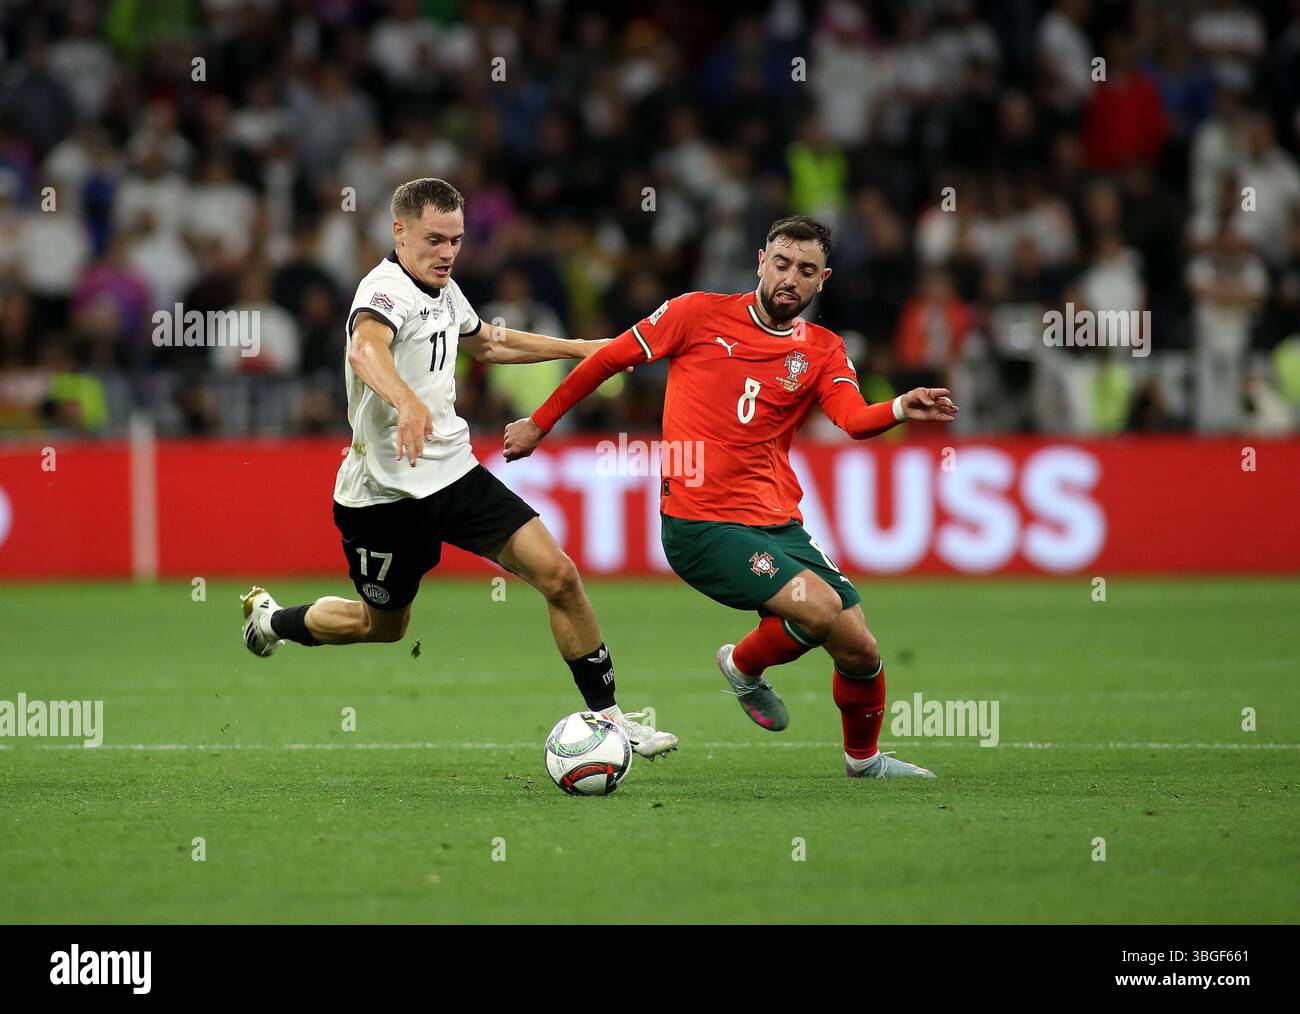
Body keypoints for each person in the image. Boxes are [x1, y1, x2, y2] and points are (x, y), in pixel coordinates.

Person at [504, 216, 957, 779]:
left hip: (777, 523)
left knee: (860, 645)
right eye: (783, 264)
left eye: (807, 271)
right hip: (700, 525)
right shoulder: (694, 313)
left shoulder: (822, 351)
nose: (792, 278)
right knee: (818, 609)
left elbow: (852, 419)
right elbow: (608, 359)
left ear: (823, 280)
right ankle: (742, 666)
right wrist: (539, 424)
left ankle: (863, 762)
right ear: (762, 261)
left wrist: (897, 408)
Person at [240, 177, 677, 760]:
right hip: (383, 500)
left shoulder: (444, 289)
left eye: (457, 240)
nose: (447, 252)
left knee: (560, 576)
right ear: (399, 232)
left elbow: (488, 343)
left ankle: (613, 719)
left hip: (454, 474)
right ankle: (271, 622)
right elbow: (364, 349)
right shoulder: (383, 291)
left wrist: (579, 348)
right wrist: (408, 401)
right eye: (435, 239)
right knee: (383, 628)